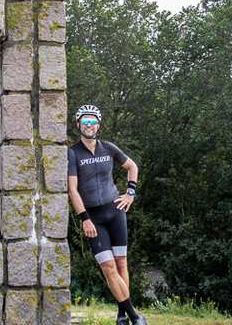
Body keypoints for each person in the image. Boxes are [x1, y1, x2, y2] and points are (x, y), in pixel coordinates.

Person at [67, 104, 146, 325]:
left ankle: (122, 314)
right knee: (108, 266)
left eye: (92, 122)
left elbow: (133, 167)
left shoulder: (108, 148)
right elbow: (72, 189)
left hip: (115, 211)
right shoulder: (73, 153)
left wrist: (130, 194)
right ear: (78, 125)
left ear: (98, 125)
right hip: (93, 218)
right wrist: (84, 218)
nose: (89, 125)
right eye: (85, 122)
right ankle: (135, 316)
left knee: (121, 263)